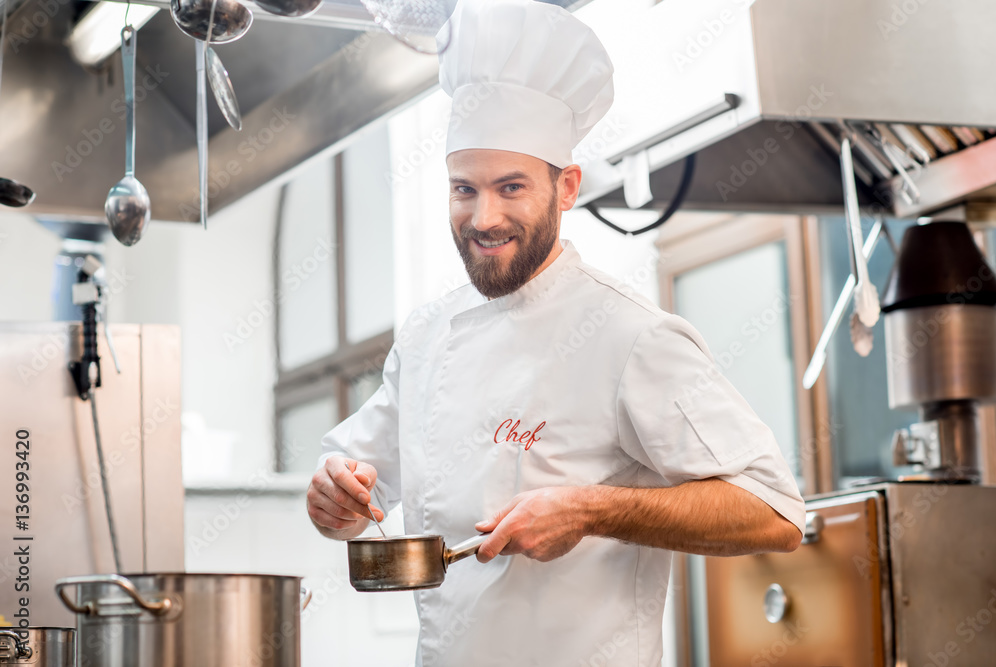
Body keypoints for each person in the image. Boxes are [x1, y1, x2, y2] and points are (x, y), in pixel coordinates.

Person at [307, 0, 805, 664]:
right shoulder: (427, 336)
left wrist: (590, 509)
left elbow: (773, 511)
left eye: (511, 187)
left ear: (566, 187)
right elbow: (352, 491)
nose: (484, 216)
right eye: (464, 189)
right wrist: (333, 497)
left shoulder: (629, 335)